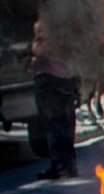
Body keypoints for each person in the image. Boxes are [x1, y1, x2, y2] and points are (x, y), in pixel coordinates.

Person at [30, 15, 79, 180]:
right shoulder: (64, 36)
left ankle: (60, 166)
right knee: (66, 126)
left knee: (54, 126)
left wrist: (32, 58)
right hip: (65, 82)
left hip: (50, 83)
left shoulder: (44, 40)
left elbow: (41, 56)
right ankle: (69, 165)